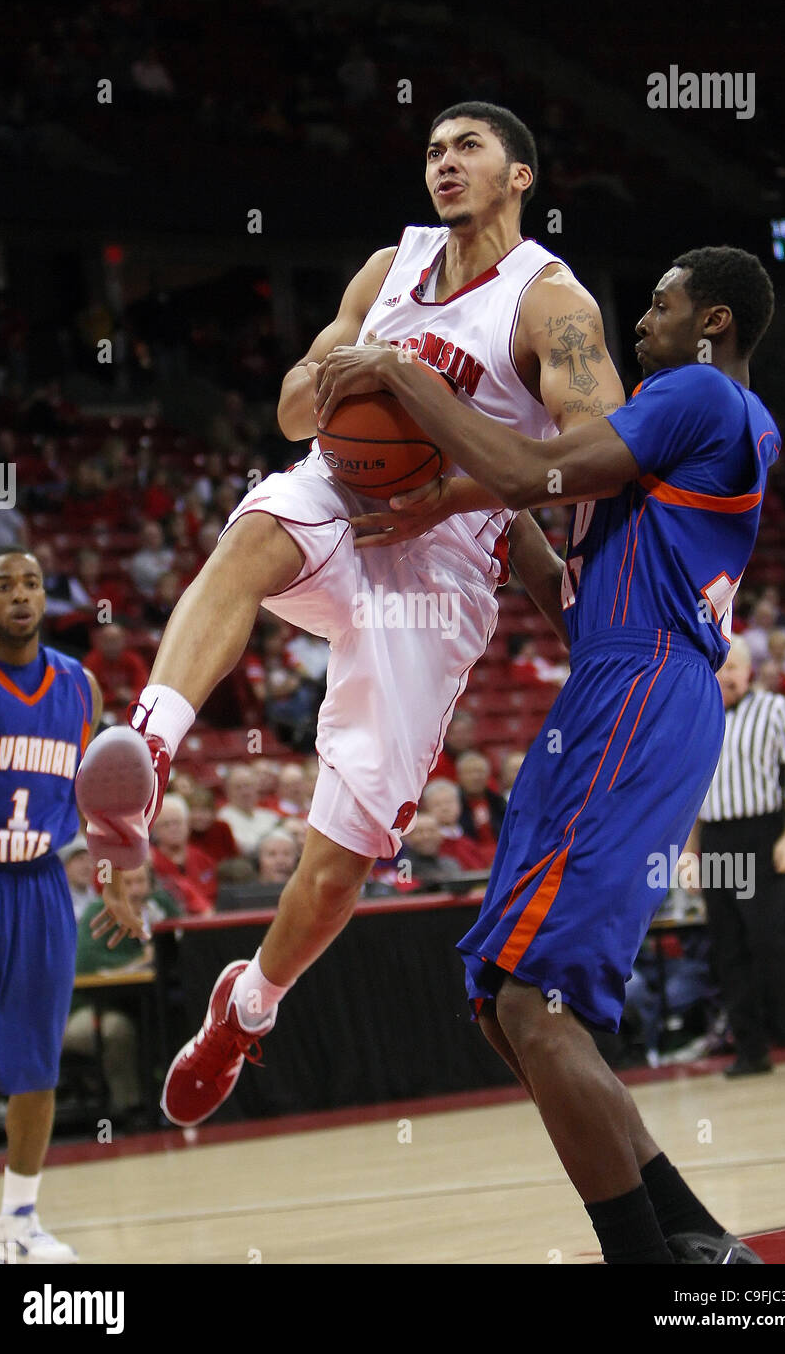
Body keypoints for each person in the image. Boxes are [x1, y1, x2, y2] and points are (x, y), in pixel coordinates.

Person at [74, 101, 621, 1131]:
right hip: (343, 492)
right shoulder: (389, 270)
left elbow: (594, 451)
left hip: (444, 558)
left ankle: (246, 1006)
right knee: (253, 528)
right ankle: (146, 752)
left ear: (519, 177)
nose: (444, 162)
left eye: (468, 147)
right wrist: (335, 385)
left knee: (341, 859)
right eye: (431, 148)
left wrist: (448, 471)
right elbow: (290, 411)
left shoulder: (550, 304)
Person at [316, 245, 783, 1264]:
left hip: (642, 688)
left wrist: (400, 374)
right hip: (615, 681)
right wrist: (452, 500)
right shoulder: (675, 444)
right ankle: (699, 1244)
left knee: (538, 1002)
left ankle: (651, 1269)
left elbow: (530, 470)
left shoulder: (696, 392)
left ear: (711, 323)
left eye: (659, 305)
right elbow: (557, 573)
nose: (639, 323)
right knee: (500, 1000)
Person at [0, 546, 101, 1262]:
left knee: (36, 1062)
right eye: (3, 585)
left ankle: (16, 1225)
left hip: (43, 881)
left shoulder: (81, 688)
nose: (19, 596)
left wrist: (113, 876)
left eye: (31, 584)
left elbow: (99, 798)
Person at [697, 634, 785, 1076]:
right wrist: (691, 854)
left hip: (761, 834)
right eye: (721, 667)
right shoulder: (697, 715)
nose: (727, 676)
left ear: (749, 670)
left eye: (734, 668)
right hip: (716, 836)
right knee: (728, 946)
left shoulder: (774, 709)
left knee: (768, 938)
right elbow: (692, 796)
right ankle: (751, 1048)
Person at [63, 861, 179, 1130]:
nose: (136, 890)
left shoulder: (160, 905)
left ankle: (177, 1099)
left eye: (141, 882)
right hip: (86, 1006)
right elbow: (88, 964)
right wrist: (142, 959)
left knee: (175, 1013)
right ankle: (130, 1109)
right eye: (127, 883)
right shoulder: (98, 911)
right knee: (117, 1029)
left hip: (146, 998)